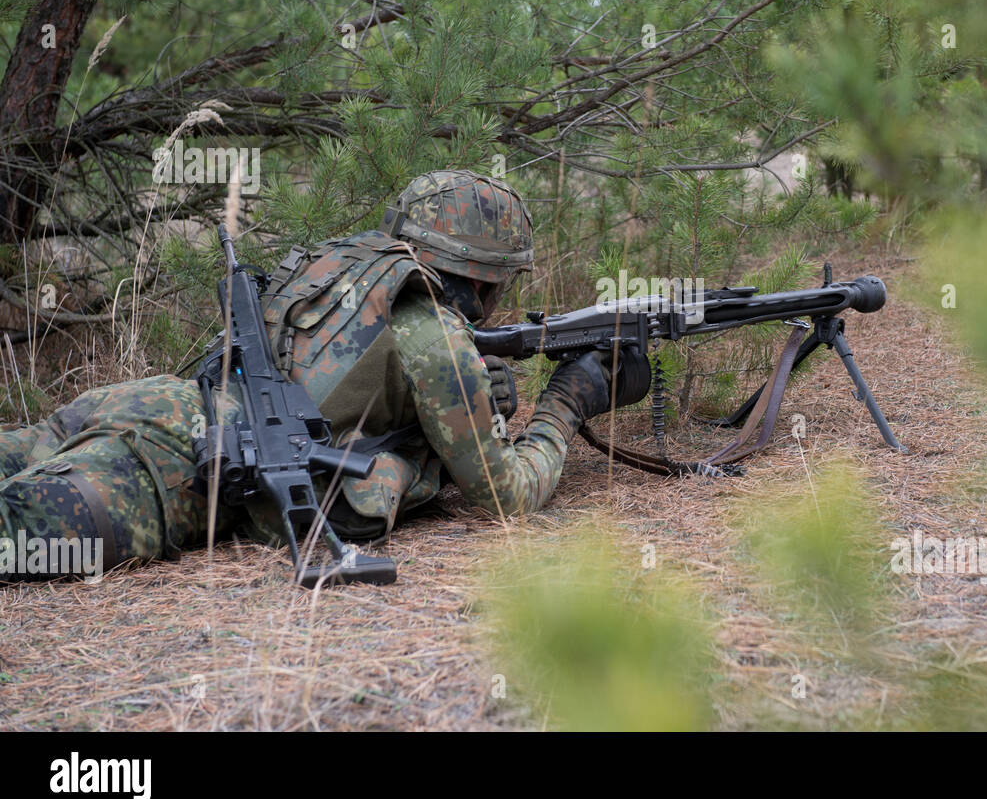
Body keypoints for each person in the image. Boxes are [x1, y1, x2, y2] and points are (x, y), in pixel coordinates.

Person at [0, 170, 648, 580]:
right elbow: (504, 498)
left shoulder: (344, 265)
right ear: (483, 280)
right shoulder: (435, 331)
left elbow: (338, 389)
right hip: (171, 468)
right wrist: (566, 404)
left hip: (142, 402)